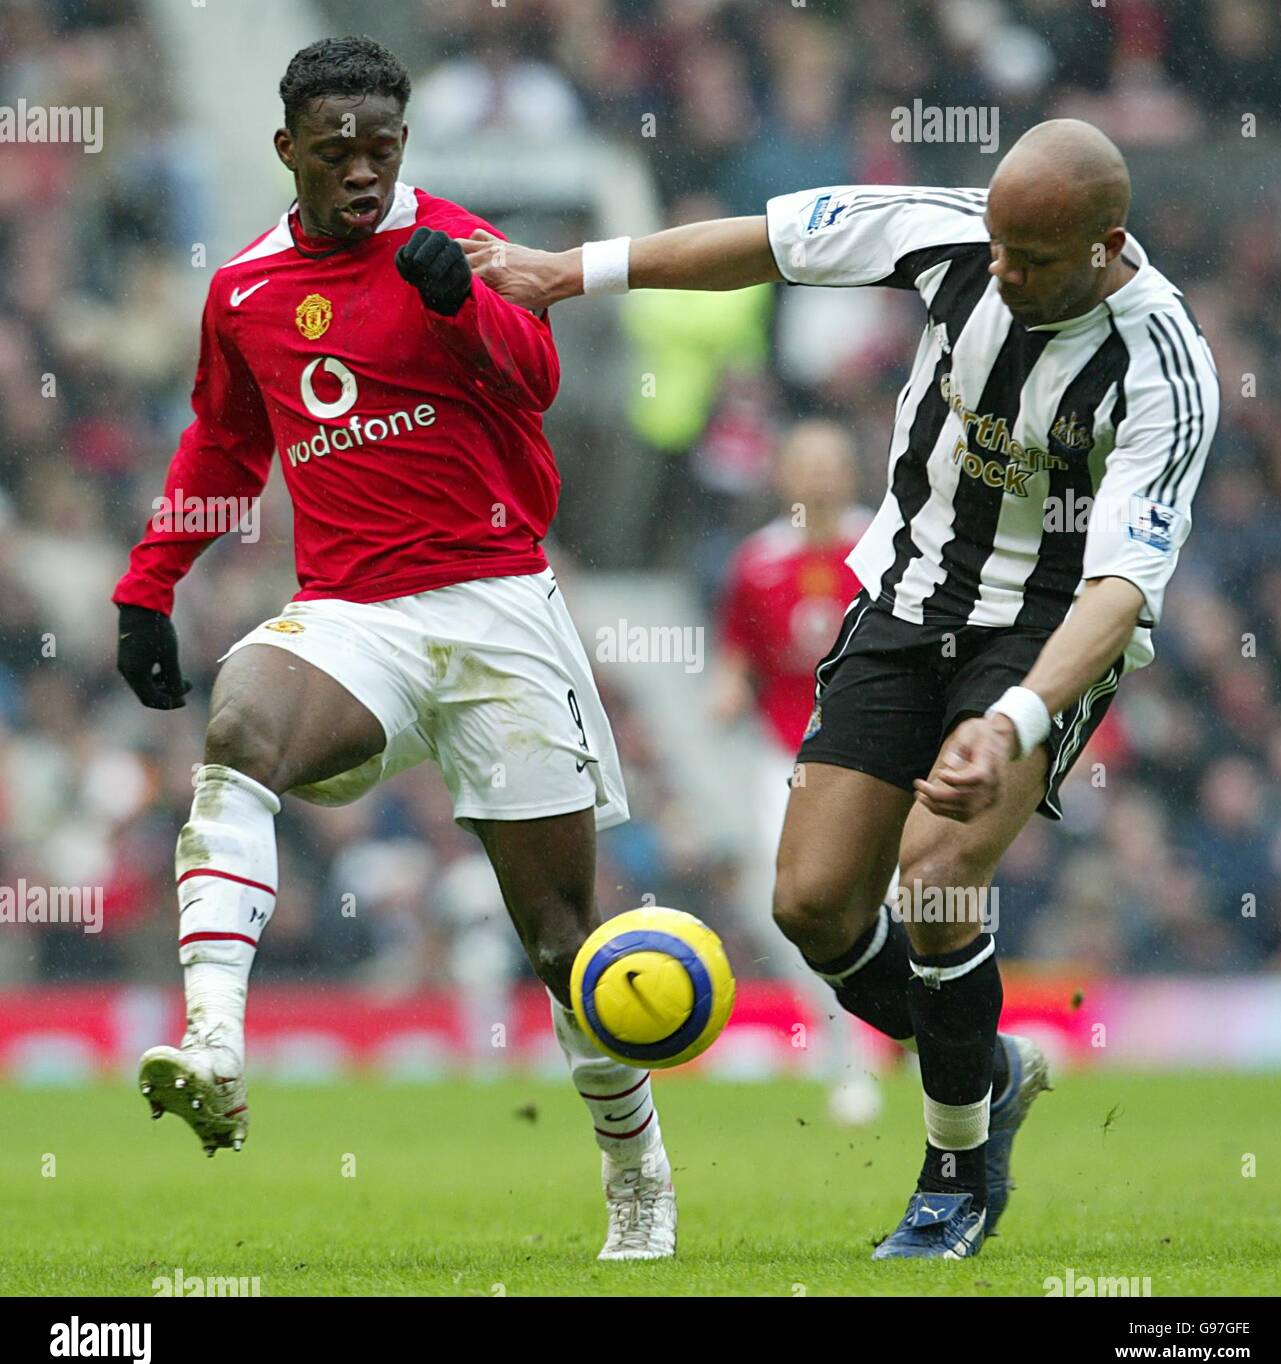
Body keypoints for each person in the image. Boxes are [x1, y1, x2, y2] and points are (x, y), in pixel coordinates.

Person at [463, 119, 1220, 1258]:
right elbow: (768, 242)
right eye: (997, 246)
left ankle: (954, 1172)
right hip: (908, 600)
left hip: (1044, 633)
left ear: (1107, 244)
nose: (1000, 271)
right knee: (813, 904)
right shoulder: (953, 232)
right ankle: (988, 1065)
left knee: (937, 873)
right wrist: (568, 274)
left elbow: (1119, 584)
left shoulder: (1163, 364)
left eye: (1030, 260)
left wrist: (1015, 720)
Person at [112, 35, 675, 1262]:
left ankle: (635, 1176)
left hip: (497, 609)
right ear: (287, 152)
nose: (365, 173)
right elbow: (223, 446)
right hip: (355, 618)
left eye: (383, 149)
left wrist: (457, 296)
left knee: (559, 941)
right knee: (239, 729)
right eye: (338, 153)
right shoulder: (247, 289)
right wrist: (148, 587)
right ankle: (213, 1039)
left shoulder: (463, 245)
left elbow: (532, 382)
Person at [713, 418, 887, 1121]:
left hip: (877, 751)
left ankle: (916, 1030)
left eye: (831, 463)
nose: (818, 477)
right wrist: (722, 690)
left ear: (853, 471)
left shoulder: (884, 548)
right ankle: (845, 1048)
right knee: (780, 899)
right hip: (786, 755)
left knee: (894, 896)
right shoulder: (756, 561)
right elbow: (738, 652)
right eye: (805, 464)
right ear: (781, 475)